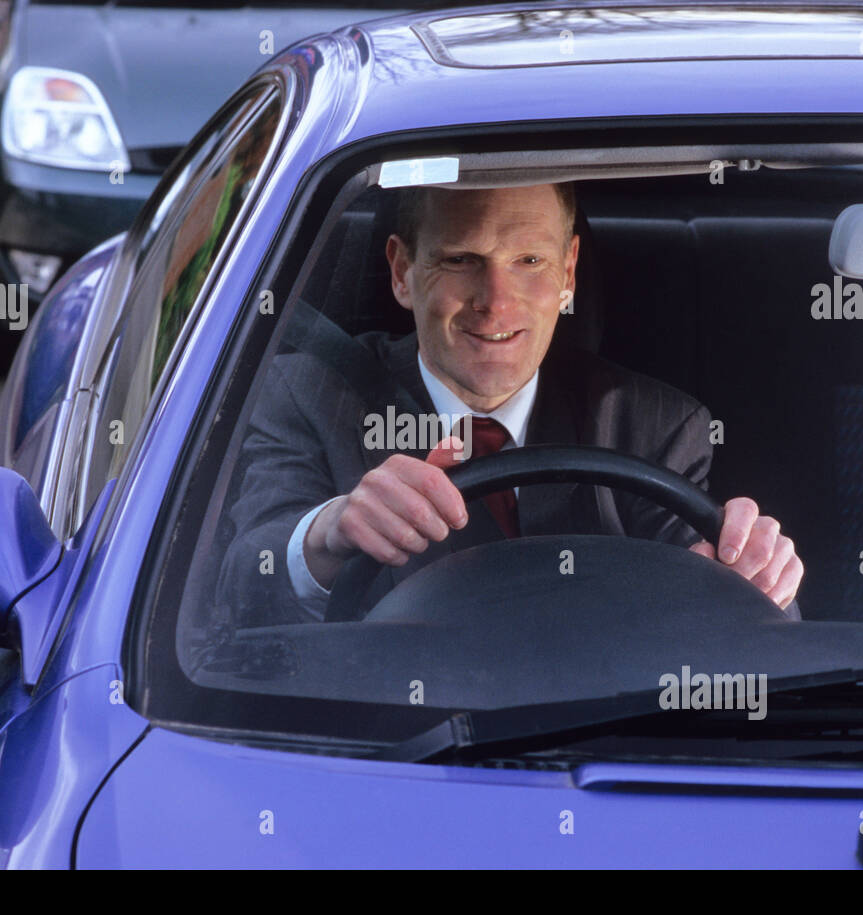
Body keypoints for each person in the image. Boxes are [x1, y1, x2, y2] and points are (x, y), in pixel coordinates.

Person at [217, 182, 803, 625]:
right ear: (402, 271)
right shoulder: (307, 394)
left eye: (529, 262)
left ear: (568, 271)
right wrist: (329, 533)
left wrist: (749, 575)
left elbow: (714, 621)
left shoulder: (655, 424)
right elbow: (240, 583)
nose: (496, 303)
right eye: (460, 260)